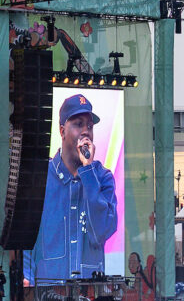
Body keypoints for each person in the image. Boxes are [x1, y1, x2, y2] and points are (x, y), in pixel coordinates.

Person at [23, 93, 117, 284]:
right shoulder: (41, 177)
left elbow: (101, 232)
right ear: (62, 131)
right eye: (78, 124)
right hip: (46, 294)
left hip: (89, 296)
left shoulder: (102, 178)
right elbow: (25, 240)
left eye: (89, 126)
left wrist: (88, 172)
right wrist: (28, 280)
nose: (85, 131)